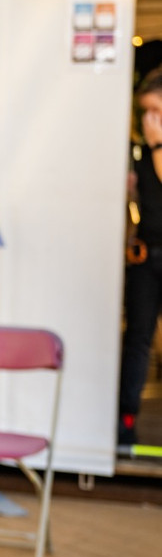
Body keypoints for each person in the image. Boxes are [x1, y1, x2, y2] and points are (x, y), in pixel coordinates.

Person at [121, 66, 162, 447]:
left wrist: (157, 145)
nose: (150, 120)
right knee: (138, 341)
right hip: (147, 258)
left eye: (157, 111)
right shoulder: (140, 152)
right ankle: (125, 423)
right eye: (145, 112)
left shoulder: (155, 148)